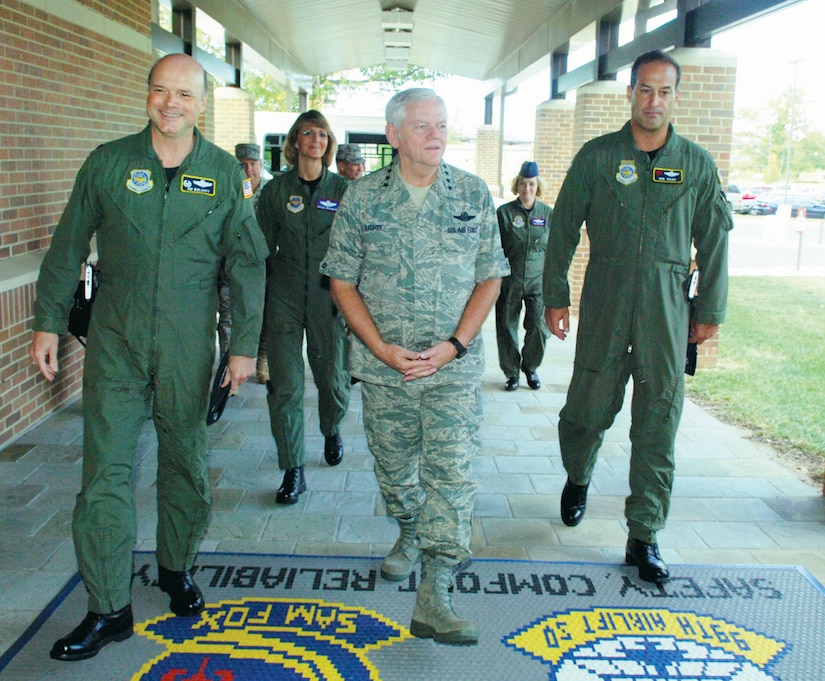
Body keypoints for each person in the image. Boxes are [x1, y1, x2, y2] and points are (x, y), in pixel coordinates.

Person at [29, 53, 268, 661]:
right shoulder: (108, 164)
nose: (171, 103)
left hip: (191, 343)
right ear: (147, 96)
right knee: (104, 473)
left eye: (184, 94)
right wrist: (48, 323)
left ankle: (176, 566)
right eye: (160, 91)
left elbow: (246, 262)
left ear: (202, 104)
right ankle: (108, 608)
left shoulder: (220, 173)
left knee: (184, 462)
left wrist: (243, 347)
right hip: (116, 340)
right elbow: (65, 247)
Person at [321, 88, 509, 645]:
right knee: (395, 470)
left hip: (451, 368)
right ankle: (408, 526)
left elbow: (490, 276)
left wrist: (456, 344)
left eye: (443, 125)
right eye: (423, 126)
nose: (436, 135)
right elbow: (341, 280)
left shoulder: (472, 193)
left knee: (451, 475)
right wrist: (380, 349)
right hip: (387, 370)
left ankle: (437, 591)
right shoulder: (361, 198)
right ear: (393, 134)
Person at [543, 49, 732, 583]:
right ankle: (578, 476)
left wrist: (710, 311)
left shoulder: (695, 164)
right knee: (584, 411)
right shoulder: (598, 157)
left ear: (676, 96)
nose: (654, 101)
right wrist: (556, 296)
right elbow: (561, 231)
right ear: (630, 94)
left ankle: (644, 534)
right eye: (644, 90)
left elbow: (715, 242)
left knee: (658, 423)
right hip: (605, 305)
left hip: (667, 314)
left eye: (664, 91)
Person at [256, 110, 352, 505]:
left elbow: (357, 249)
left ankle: (331, 428)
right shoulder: (276, 191)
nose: (315, 139)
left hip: (329, 294)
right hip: (284, 294)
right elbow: (260, 249)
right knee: (286, 386)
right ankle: (292, 468)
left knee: (332, 376)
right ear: (295, 142)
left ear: (329, 143)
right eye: (307, 133)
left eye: (322, 134)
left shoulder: (343, 190)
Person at [495, 161, 553, 391]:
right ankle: (511, 373)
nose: (527, 188)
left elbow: (555, 249)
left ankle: (530, 367)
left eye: (531, 184)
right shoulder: (504, 213)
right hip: (510, 279)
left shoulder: (548, 214)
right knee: (507, 326)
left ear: (537, 186)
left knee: (539, 328)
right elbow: (494, 247)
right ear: (516, 186)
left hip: (539, 281)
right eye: (522, 183)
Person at [217, 143, 270, 382]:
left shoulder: (271, 192)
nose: (248, 169)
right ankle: (228, 372)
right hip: (232, 266)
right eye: (243, 164)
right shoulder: (229, 190)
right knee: (228, 318)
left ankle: (263, 362)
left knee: (264, 314)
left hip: (262, 267)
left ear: (261, 165)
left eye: (253, 164)